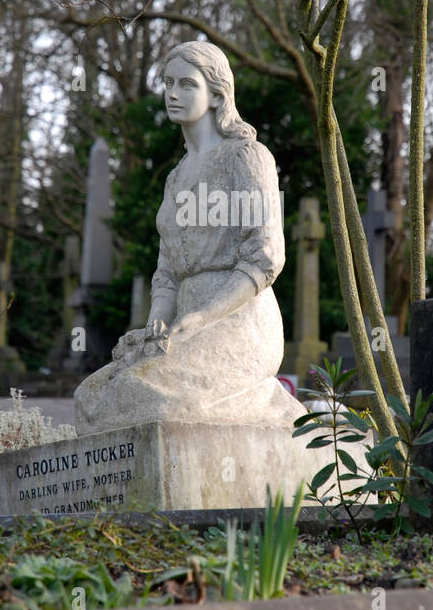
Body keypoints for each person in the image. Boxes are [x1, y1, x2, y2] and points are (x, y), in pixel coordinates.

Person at [73, 40, 305, 432]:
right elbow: (167, 271)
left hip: (238, 320)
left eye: (186, 84)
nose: (172, 93)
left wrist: (201, 317)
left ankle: (274, 410)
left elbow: (266, 257)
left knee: (144, 396)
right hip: (182, 324)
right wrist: (157, 324)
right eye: (167, 83)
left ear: (217, 94)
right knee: (91, 396)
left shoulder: (247, 158)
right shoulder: (176, 177)